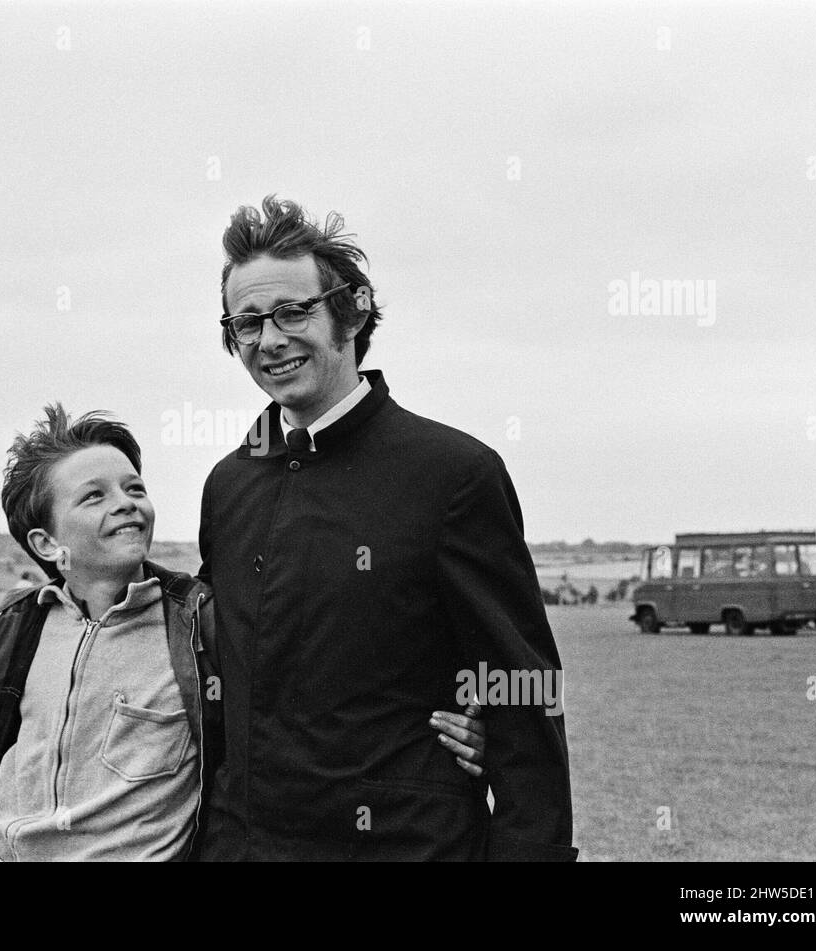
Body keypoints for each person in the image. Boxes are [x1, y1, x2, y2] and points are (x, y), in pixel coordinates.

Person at [0, 405, 491, 861]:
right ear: (45, 544)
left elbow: (326, 676)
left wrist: (455, 719)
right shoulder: (15, 633)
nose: (127, 505)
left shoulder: (199, 626)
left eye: (134, 488)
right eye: (95, 496)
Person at [197, 196, 575, 861]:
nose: (270, 338)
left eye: (293, 311)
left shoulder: (454, 473)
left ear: (352, 311)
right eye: (248, 321)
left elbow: (522, 691)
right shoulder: (228, 486)